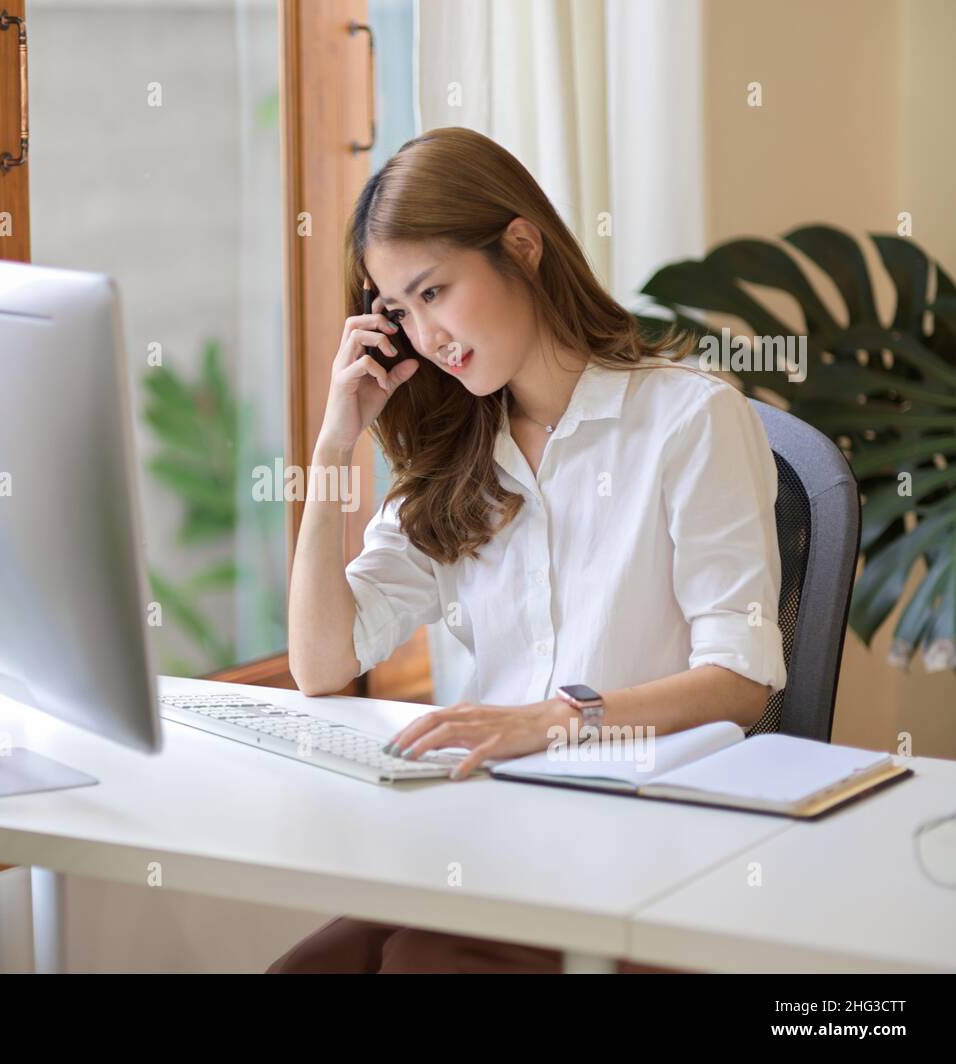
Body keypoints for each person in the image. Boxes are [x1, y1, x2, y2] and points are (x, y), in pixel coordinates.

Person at [270, 126, 787, 974]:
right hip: (496, 831)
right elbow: (322, 665)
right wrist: (333, 450)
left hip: (647, 837)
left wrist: (551, 722)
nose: (427, 334)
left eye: (435, 290)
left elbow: (738, 683)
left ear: (520, 246)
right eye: (399, 310)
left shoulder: (690, 421)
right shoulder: (456, 456)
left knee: (418, 963)